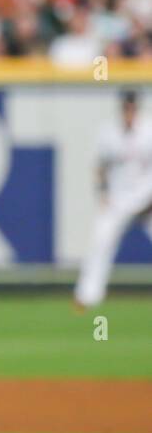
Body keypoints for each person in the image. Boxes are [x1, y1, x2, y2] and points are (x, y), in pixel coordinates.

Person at [74, 90, 152, 309]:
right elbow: (100, 166)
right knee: (100, 241)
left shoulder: (149, 130)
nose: (129, 112)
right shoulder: (109, 132)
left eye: (132, 108)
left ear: (137, 108)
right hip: (118, 200)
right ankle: (87, 296)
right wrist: (102, 193)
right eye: (126, 108)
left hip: (148, 201)